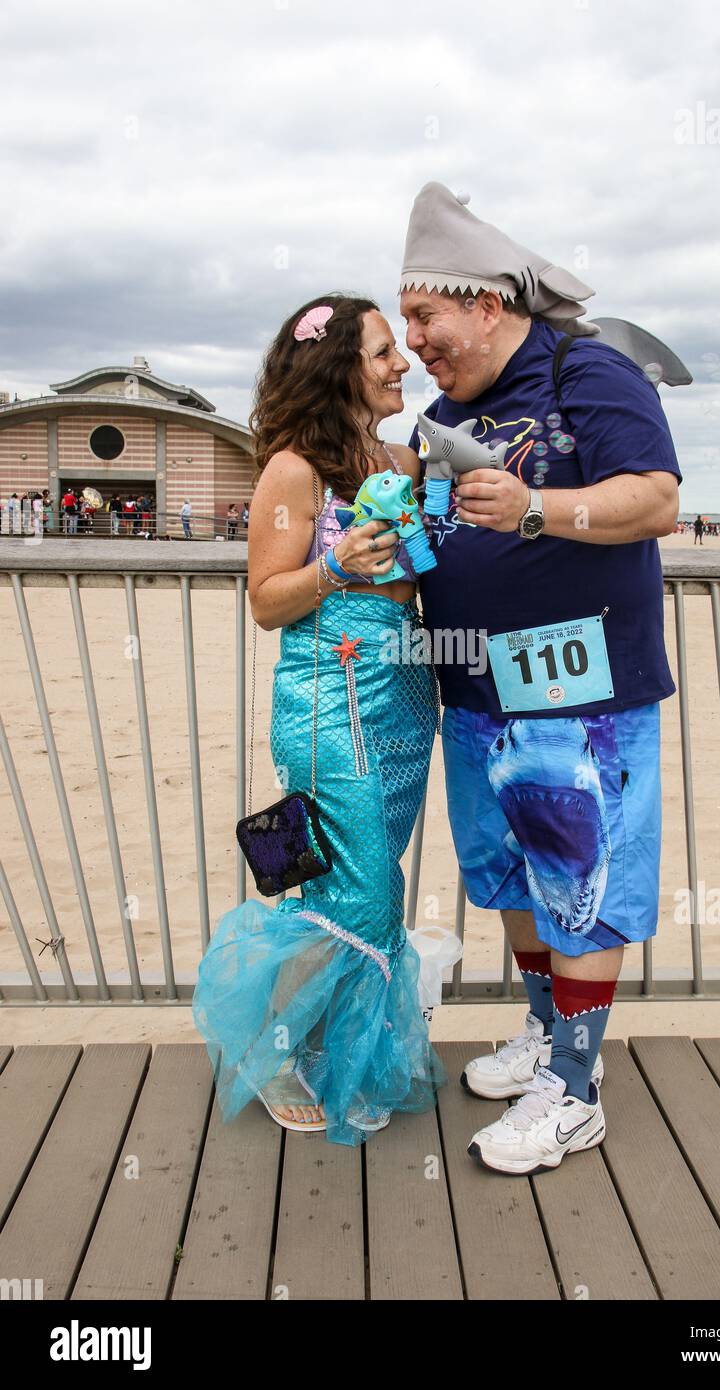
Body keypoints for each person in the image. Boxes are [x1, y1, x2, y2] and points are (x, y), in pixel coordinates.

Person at [399, 182, 684, 1175]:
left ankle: (574, 1086)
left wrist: (531, 510)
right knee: (515, 876)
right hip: (478, 693)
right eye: (402, 324)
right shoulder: (439, 414)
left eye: (424, 318)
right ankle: (541, 1034)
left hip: (581, 693)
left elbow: (652, 500)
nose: (414, 341)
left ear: (482, 304)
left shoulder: (586, 371)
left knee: (581, 882)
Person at [192, 294, 447, 1145]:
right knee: (368, 888)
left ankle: (336, 1046)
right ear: (339, 367)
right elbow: (267, 602)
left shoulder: (404, 463)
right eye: (382, 353)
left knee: (353, 889)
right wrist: (334, 566)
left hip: (405, 692)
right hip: (325, 703)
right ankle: (268, 1052)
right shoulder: (292, 471)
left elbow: (413, 583)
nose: (400, 363)